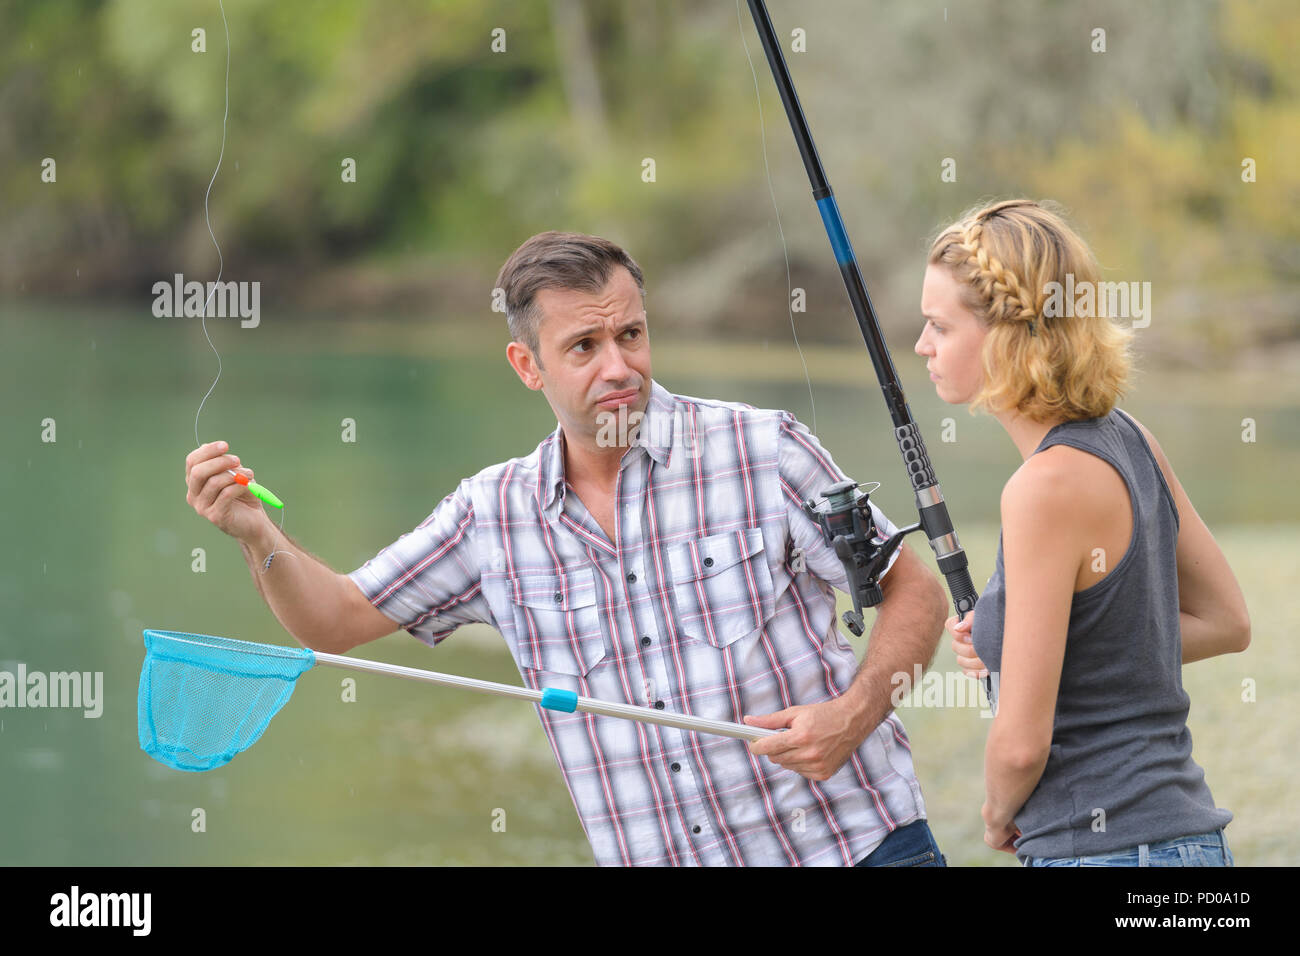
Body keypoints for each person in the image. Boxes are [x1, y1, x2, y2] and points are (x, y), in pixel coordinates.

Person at [184, 230, 954, 866]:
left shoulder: (763, 449)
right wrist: (260, 535)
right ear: (529, 366)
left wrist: (854, 715)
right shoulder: (491, 516)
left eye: (630, 334)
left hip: (862, 850)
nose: (619, 366)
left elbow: (915, 593)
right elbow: (337, 621)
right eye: (584, 346)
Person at [915, 199, 1250, 867]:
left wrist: (994, 814)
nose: (923, 346)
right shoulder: (1131, 441)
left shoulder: (1041, 490)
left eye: (939, 327)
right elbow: (1225, 620)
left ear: (1007, 335)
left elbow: (1019, 747)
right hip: (1191, 845)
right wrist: (1027, 645)